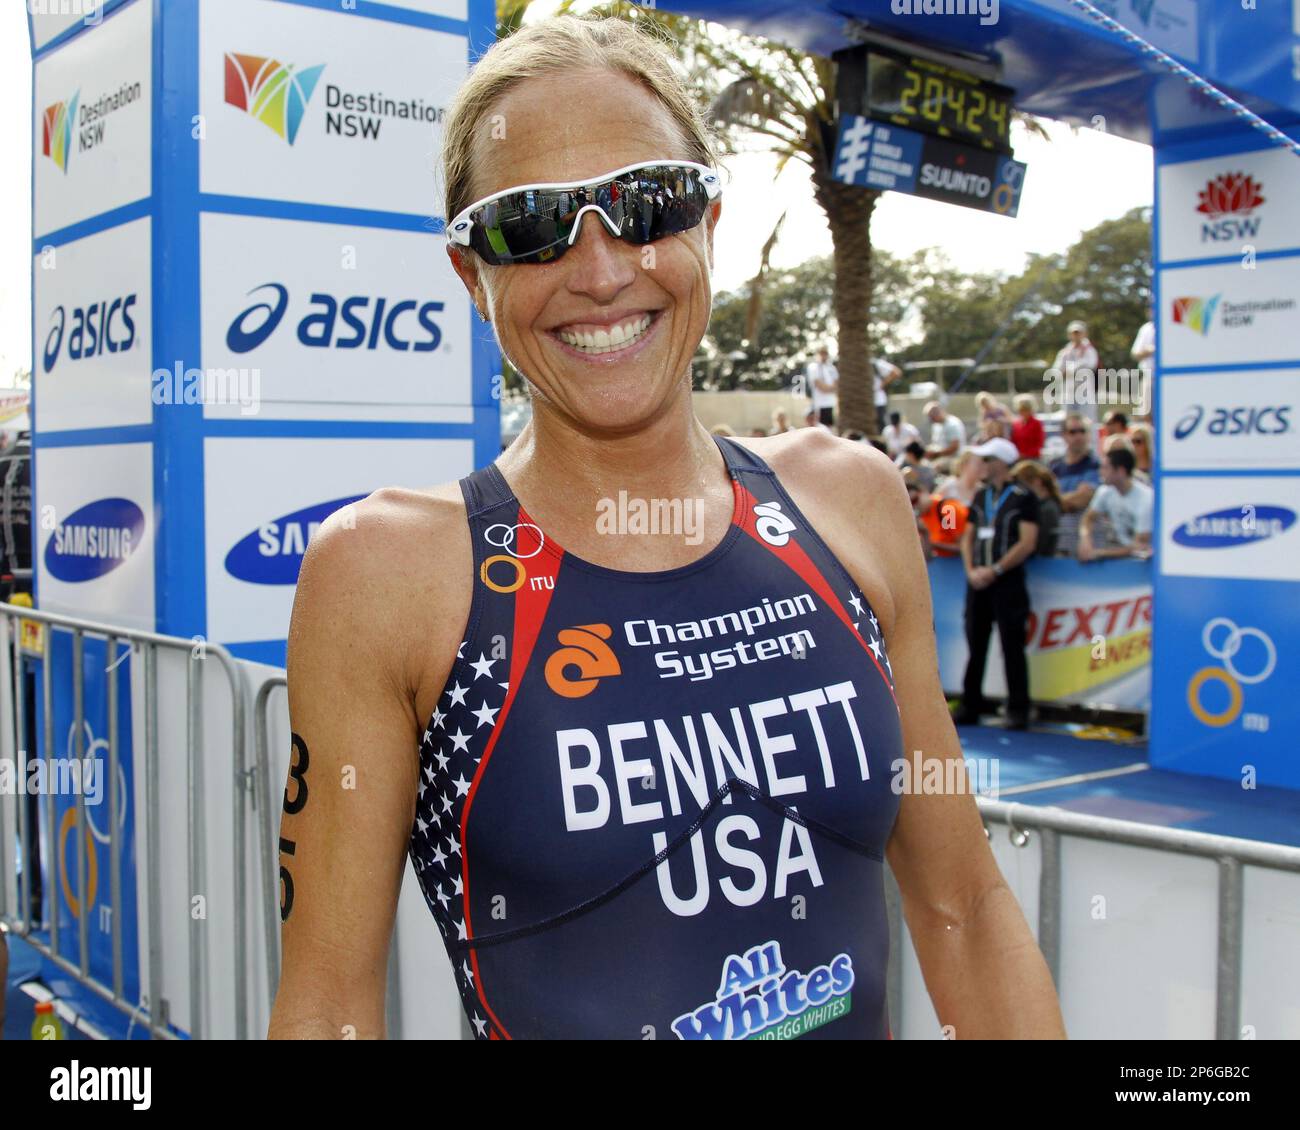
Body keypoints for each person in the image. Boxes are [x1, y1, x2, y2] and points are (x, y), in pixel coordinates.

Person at [268, 13, 1063, 1042]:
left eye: (647, 204)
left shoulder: (847, 500)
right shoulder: (389, 574)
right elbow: (329, 1010)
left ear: (707, 225)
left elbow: (964, 907)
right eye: (531, 224)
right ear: (473, 276)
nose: (601, 271)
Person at [954, 438, 1039, 730]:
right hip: (978, 582)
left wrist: (996, 569)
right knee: (975, 644)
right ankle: (971, 704)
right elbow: (967, 536)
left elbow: (1027, 542)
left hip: (1008, 582)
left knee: (1011, 646)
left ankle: (1018, 708)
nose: (982, 465)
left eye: (987, 460)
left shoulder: (1024, 497)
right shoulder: (981, 496)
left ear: (1001, 462)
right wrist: (971, 570)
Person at [1079, 446, 1154, 561]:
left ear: (1121, 471)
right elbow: (1088, 518)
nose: (1100, 472)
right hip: (1120, 559)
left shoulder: (1146, 499)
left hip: (1145, 564)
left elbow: (1139, 545)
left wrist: (1099, 553)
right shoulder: (1104, 491)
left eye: (1105, 468)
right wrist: (1085, 539)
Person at [1049, 412, 1101, 558]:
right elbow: (1045, 497)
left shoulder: (1095, 465)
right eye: (1073, 432)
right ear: (1064, 435)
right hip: (1058, 542)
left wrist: (1057, 499)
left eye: (1082, 431)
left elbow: (1084, 498)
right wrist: (1067, 500)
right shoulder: (1054, 466)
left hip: (1087, 543)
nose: (1078, 436)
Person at [1052, 320, 1100, 426]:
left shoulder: (1089, 350)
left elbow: (1090, 365)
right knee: (1068, 421)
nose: (1076, 336)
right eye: (1074, 333)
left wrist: (1072, 370)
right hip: (1069, 392)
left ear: (1084, 334)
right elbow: (1057, 371)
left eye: (1078, 333)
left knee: (1088, 421)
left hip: (1085, 393)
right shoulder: (1065, 352)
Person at [1012, 461, 1062, 557]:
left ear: (1036, 482)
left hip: (1041, 564)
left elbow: (1038, 544)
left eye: (1021, 485)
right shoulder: (1039, 506)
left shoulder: (1048, 508)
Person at [1131, 301, 1155, 424]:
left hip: (1170, 379)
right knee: (1146, 413)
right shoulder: (1147, 329)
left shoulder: (1170, 327)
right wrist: (1151, 350)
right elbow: (1135, 353)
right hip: (1149, 377)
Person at [806, 345, 839, 429]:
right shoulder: (813, 367)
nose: (824, 355)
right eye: (822, 353)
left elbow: (836, 383)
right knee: (820, 426)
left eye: (825, 353)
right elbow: (818, 383)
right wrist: (829, 388)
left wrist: (830, 388)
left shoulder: (831, 367)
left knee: (829, 427)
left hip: (830, 402)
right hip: (819, 403)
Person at [873, 356, 903, 434]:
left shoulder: (874, 363)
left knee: (880, 425)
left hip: (878, 401)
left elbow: (896, 372)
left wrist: (881, 385)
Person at [1010, 394, 1044, 460]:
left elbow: (1039, 443)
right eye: (1020, 410)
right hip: (1018, 458)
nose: (1022, 413)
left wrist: (1026, 455)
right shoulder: (1016, 424)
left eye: (1025, 410)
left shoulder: (1037, 423)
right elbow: (1013, 441)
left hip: (1033, 458)